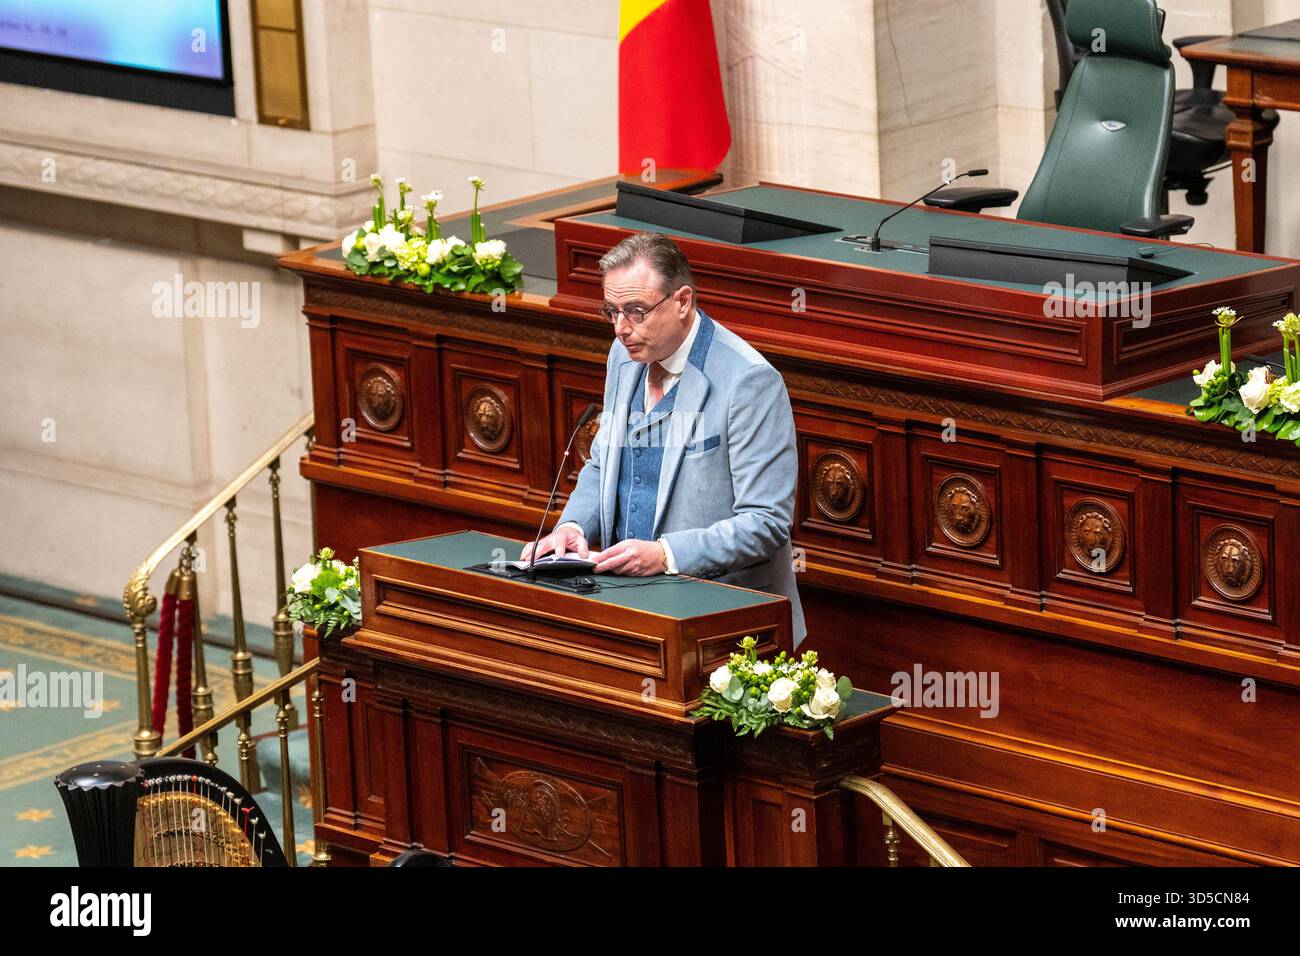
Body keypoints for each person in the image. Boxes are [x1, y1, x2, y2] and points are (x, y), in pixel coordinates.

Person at [522, 231, 806, 644]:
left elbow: (765, 523)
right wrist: (574, 526)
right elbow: (603, 463)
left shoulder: (748, 381)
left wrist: (666, 555)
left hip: (725, 621)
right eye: (612, 311)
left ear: (683, 301)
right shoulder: (623, 356)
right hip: (630, 608)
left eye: (636, 311)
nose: (621, 328)